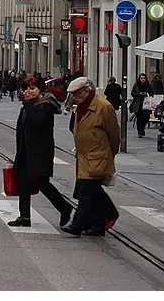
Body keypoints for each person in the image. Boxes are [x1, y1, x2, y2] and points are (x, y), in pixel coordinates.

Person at [9, 76, 74, 229]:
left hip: (40, 152)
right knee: (23, 183)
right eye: (26, 88)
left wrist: (27, 103)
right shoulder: (28, 105)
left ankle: (64, 208)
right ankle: (24, 216)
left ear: (40, 89)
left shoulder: (46, 105)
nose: (28, 92)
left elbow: (35, 121)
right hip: (26, 150)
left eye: (32, 88)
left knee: (42, 183)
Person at [62, 77, 120, 237]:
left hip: (98, 157)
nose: (75, 98)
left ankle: (76, 225)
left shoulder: (104, 107)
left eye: (77, 94)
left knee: (86, 193)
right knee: (90, 191)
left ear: (87, 91)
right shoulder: (80, 108)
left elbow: (114, 135)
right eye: (72, 95)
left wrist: (110, 154)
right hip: (83, 156)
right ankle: (101, 222)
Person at [129, 73, 155, 138]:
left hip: (146, 104)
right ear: (139, 79)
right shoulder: (136, 85)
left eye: (144, 78)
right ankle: (140, 132)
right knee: (139, 118)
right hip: (138, 104)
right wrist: (139, 94)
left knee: (146, 118)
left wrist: (147, 94)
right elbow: (132, 93)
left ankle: (142, 128)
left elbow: (152, 94)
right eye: (141, 78)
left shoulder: (148, 86)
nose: (143, 80)